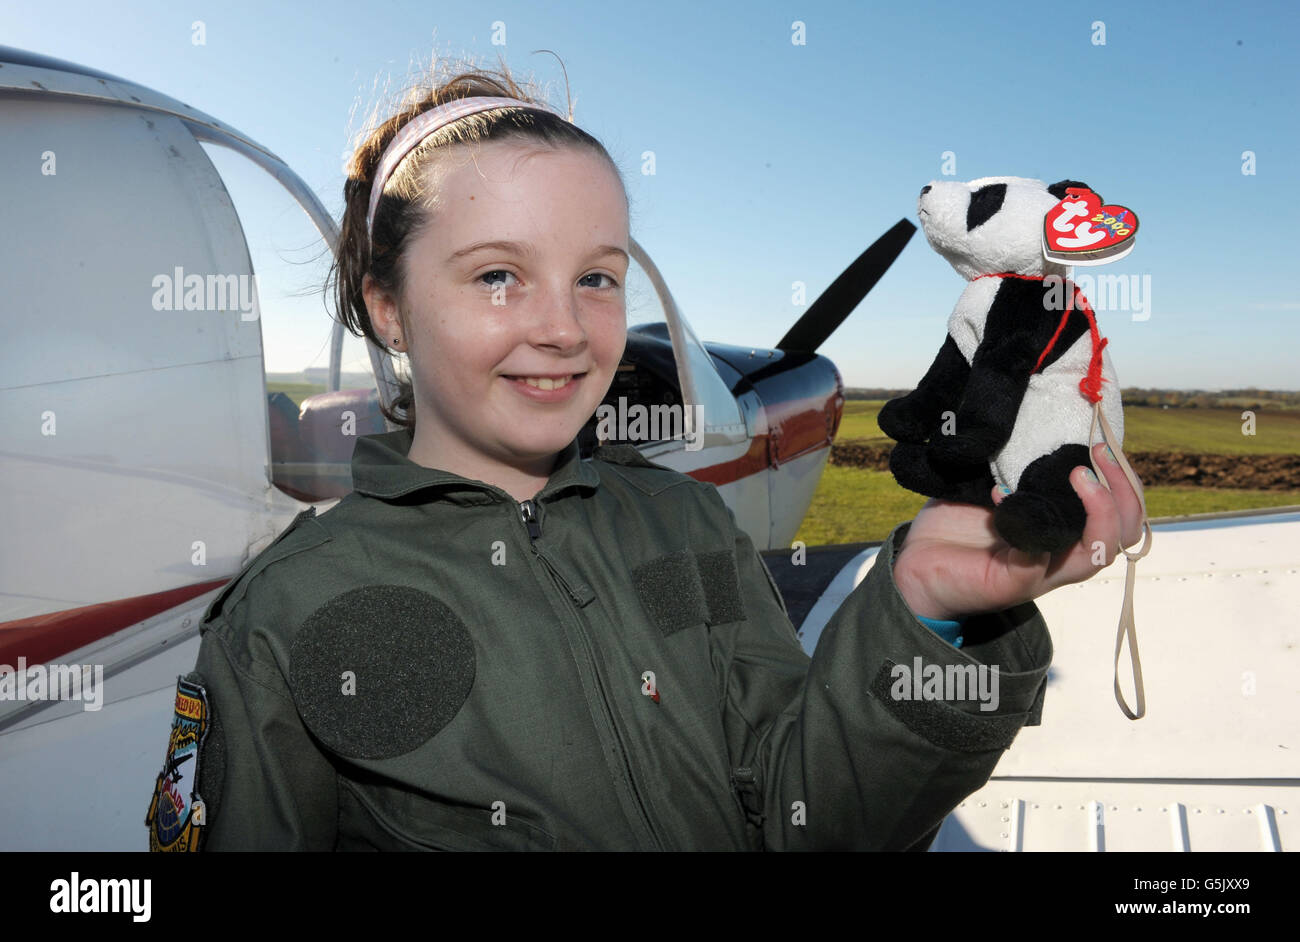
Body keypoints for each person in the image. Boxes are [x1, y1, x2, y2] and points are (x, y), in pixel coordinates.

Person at [144, 62, 1146, 852]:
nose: (565, 329)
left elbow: (810, 818)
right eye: (497, 275)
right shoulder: (282, 616)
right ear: (387, 305)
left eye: (597, 277)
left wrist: (927, 613)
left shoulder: (684, 522)